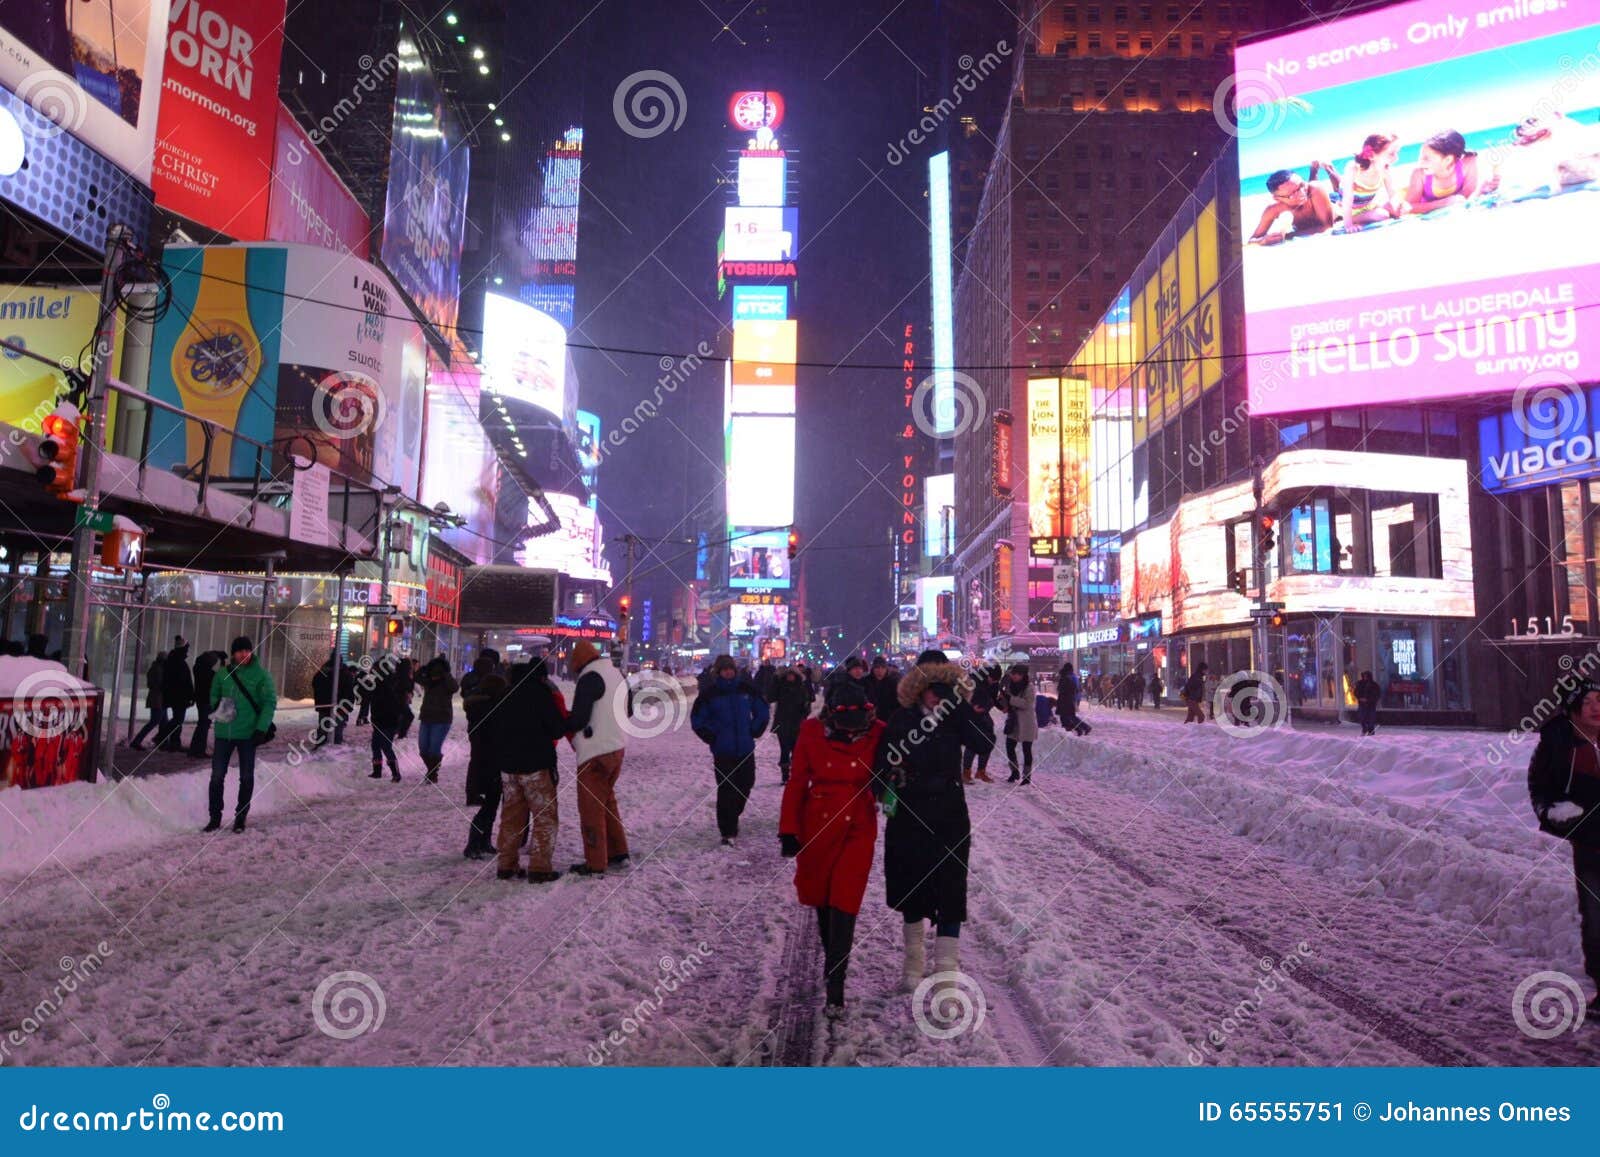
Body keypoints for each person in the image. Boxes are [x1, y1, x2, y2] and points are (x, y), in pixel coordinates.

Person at [779, 681, 885, 1014]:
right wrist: (788, 829)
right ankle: (832, 962)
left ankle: (836, 981)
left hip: (858, 823)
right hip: (818, 821)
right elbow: (797, 781)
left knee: (845, 898)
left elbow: (895, 769)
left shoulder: (880, 731)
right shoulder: (811, 731)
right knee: (823, 898)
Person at [876, 650, 972, 992]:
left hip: (949, 812)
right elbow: (880, 764)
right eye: (932, 687)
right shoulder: (901, 718)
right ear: (919, 687)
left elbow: (984, 741)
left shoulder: (957, 717)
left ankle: (946, 968)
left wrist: (958, 708)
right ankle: (913, 964)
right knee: (911, 885)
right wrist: (889, 782)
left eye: (943, 688)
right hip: (909, 814)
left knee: (951, 887)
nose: (936, 694)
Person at [1527, 681, 1600, 1016]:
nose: (1596, 707)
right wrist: (1551, 812)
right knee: (1596, 916)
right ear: (1573, 708)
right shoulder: (1558, 743)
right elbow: (1540, 786)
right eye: (1587, 702)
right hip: (1591, 844)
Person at [494, 659, 569, 882]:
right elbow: (556, 729)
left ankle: (506, 866)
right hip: (536, 766)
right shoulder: (540, 694)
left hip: (508, 767)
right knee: (544, 817)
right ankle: (539, 868)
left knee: (511, 817)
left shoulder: (504, 695)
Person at [564, 640, 631, 877]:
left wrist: (563, 722)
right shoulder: (617, 673)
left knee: (591, 808)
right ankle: (618, 852)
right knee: (607, 802)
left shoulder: (590, 677)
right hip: (617, 748)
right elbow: (629, 710)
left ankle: (595, 863)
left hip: (595, 752)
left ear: (579, 661)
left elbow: (580, 719)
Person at [690, 654, 770, 845]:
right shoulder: (710, 694)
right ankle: (727, 831)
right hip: (722, 750)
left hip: (745, 748)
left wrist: (756, 728)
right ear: (718, 672)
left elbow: (762, 709)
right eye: (724, 669)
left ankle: (732, 814)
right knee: (726, 790)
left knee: (746, 784)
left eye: (730, 669)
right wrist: (711, 736)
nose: (728, 672)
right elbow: (698, 719)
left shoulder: (746, 689)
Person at [203, 636, 275, 833]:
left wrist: (261, 728)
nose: (244, 654)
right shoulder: (223, 674)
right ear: (233, 653)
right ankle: (214, 817)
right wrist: (217, 705)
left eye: (247, 650)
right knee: (217, 776)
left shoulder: (261, 675)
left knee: (246, 777)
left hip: (248, 734)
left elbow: (269, 702)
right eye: (239, 651)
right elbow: (214, 693)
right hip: (224, 732)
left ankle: (241, 816)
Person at [461, 651, 504, 860]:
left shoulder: (476, 706)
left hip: (481, 761)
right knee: (489, 807)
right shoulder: (491, 709)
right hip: (491, 763)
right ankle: (474, 843)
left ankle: (483, 841)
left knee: (491, 805)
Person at [1248, 169, 1335, 244]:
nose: (1301, 193)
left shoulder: (1315, 188)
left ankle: (1326, 169)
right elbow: (1252, 240)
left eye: (1302, 185)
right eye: (1293, 194)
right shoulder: (1273, 210)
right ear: (1277, 198)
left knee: (1338, 192)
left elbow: (1327, 226)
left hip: (1335, 203)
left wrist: (1288, 236)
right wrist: (1262, 241)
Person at [1404, 129, 1480, 214]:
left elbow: (1469, 195)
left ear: (1447, 160)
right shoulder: (1419, 174)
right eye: (1420, 157)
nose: (1420, 162)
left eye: (1426, 158)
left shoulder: (1468, 163)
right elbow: (1409, 207)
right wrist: (1443, 203)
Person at [1339, 132, 1402, 229]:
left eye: (1397, 152)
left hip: (1366, 207)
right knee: (1382, 215)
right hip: (1345, 208)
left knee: (1398, 206)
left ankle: (1358, 217)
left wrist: (1399, 209)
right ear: (1372, 155)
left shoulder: (1385, 170)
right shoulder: (1354, 168)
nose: (1396, 158)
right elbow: (1347, 199)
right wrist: (1348, 224)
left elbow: (1392, 194)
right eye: (1391, 153)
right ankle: (1348, 218)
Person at [364, 655, 408, 782]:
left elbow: (390, 701)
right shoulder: (378, 682)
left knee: (385, 746)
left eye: (374, 669)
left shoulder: (388, 683)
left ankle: (396, 773)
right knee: (376, 745)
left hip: (389, 719)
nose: (372, 671)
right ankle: (377, 771)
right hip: (379, 719)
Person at [415, 656, 458, 783]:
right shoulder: (428, 681)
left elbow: (455, 688)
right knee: (423, 748)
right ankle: (432, 770)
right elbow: (417, 677)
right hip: (426, 717)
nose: (433, 676)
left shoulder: (447, 683)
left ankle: (432, 774)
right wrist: (424, 668)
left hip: (442, 719)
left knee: (434, 749)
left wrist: (446, 673)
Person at [769, 665, 814, 784]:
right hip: (782, 723)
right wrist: (774, 679)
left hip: (796, 724)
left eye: (792, 674)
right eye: (788, 674)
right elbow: (770, 697)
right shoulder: (780, 687)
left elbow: (807, 704)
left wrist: (804, 713)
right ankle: (785, 776)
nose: (790, 677)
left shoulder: (801, 688)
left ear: (796, 676)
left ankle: (795, 774)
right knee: (784, 749)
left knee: (796, 750)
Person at [999, 664, 1038, 784]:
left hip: (1026, 723)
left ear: (1022, 675)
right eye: (1013, 674)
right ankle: (1014, 771)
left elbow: (1026, 704)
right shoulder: (1010, 685)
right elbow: (1007, 701)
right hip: (1014, 722)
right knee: (1009, 746)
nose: (1014, 676)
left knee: (1027, 749)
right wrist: (1002, 700)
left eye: (1017, 674)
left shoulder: (1029, 687)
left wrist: (1009, 698)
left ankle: (1027, 777)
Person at [962, 664, 999, 783]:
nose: (993, 682)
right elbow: (961, 699)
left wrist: (997, 705)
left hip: (984, 715)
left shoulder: (992, 684)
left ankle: (981, 771)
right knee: (972, 743)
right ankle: (966, 772)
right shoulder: (972, 681)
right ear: (988, 676)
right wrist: (972, 709)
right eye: (992, 679)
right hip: (972, 716)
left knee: (987, 741)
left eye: (995, 680)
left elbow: (992, 699)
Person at [187, 649, 226, 757]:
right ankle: (198, 750)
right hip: (207, 700)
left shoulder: (199, 669)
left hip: (201, 700)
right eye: (213, 661)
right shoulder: (208, 673)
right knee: (204, 725)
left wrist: (217, 654)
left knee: (202, 725)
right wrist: (222, 661)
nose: (214, 663)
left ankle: (194, 749)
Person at [310, 651, 350, 750]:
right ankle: (330, 746)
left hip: (329, 705)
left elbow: (316, 684)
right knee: (333, 727)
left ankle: (326, 745)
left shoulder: (324, 672)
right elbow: (349, 691)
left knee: (328, 727)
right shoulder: (342, 673)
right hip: (331, 705)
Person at [128, 652, 168, 751]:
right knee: (155, 721)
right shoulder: (158, 669)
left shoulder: (156, 668)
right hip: (157, 699)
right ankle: (137, 741)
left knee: (163, 722)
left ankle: (163, 743)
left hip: (159, 699)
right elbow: (159, 684)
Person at [160, 639, 194, 750]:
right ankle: (163, 737)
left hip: (177, 695)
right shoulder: (179, 662)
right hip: (179, 696)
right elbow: (184, 682)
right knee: (178, 720)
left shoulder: (173, 660)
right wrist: (190, 695)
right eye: (186, 648)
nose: (188, 650)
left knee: (177, 719)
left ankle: (174, 742)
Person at [1057, 662, 1092, 737]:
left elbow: (1072, 689)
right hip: (1071, 699)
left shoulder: (1068, 678)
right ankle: (1081, 728)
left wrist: (1074, 699)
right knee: (1069, 716)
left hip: (1068, 700)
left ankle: (1080, 728)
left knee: (1068, 716)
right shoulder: (1072, 677)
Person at [863, 656, 900, 724]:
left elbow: (896, 704)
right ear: (873, 669)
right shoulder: (865, 682)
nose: (880, 670)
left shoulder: (892, 683)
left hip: (887, 721)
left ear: (886, 669)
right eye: (877, 667)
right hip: (869, 721)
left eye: (883, 668)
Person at [1354, 670, 1381, 736]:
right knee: (1362, 717)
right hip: (1362, 703)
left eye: (1366, 676)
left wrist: (1369, 700)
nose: (1365, 677)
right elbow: (1356, 692)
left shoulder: (1374, 685)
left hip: (1371, 704)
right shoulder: (1360, 684)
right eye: (1364, 676)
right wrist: (1360, 698)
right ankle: (1365, 729)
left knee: (1371, 718)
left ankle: (1370, 730)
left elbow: (1377, 694)